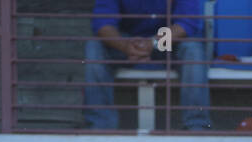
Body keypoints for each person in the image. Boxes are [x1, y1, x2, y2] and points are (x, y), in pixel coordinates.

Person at [84, 0, 211, 131]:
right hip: (128, 43)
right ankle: (100, 128)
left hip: (169, 44)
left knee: (193, 49)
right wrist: (125, 46)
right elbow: (102, 23)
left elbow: (186, 23)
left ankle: (197, 127)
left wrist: (153, 43)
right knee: (95, 46)